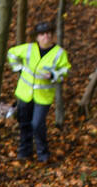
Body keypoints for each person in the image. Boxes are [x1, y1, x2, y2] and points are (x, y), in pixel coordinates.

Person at [7, 21, 71, 163]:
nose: (46, 36)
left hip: (43, 97)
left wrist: (53, 75)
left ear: (53, 35)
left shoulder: (59, 53)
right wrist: (18, 68)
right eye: (42, 34)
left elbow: (65, 70)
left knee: (37, 124)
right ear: (37, 37)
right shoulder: (29, 49)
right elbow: (11, 53)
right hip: (25, 93)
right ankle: (24, 152)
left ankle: (43, 154)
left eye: (48, 33)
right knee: (24, 123)